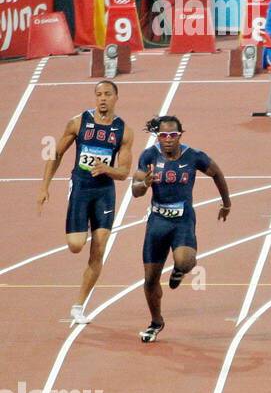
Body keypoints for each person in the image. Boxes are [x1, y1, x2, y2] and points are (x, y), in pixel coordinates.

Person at [37, 81, 134, 325]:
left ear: (116, 98)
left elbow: (123, 173)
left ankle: (78, 306)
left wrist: (107, 169)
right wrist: (44, 186)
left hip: (104, 192)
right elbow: (56, 154)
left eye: (107, 94)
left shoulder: (124, 131)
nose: (102, 99)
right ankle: (84, 226)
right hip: (81, 188)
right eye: (99, 94)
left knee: (99, 248)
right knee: (76, 245)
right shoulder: (78, 123)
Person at [132, 116, 231, 342]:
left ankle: (179, 270)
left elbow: (217, 173)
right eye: (163, 136)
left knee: (186, 262)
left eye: (173, 135)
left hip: (182, 220)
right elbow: (135, 192)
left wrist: (226, 202)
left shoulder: (194, 156)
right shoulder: (148, 156)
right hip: (157, 223)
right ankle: (156, 322)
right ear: (158, 137)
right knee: (149, 280)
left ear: (180, 135)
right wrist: (144, 184)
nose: (168, 140)